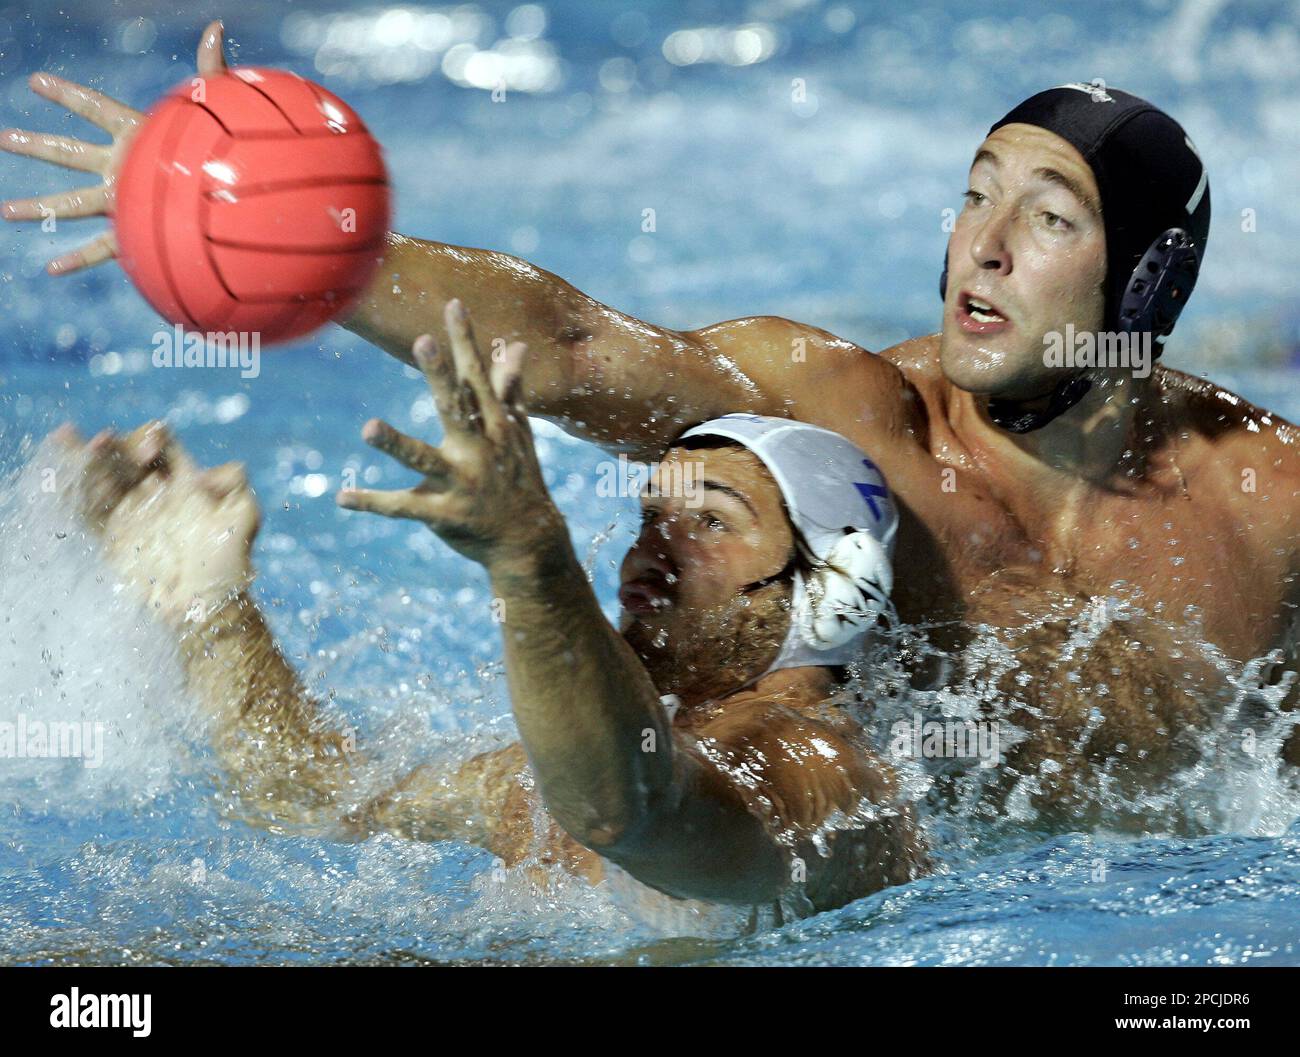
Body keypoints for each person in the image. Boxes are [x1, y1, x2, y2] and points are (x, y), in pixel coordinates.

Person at [5, 23, 1297, 814]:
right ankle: (202, 600)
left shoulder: (1268, 503)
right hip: (784, 812)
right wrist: (295, 247)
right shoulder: (854, 413)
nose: (985, 246)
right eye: (976, 193)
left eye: (1050, 215)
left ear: (1144, 285)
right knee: (335, 805)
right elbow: (571, 344)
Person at [52, 299, 924, 922]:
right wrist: (207, 600)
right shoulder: (563, 763)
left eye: (710, 521)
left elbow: (629, 814)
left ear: (832, 582)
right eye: (653, 513)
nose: (651, 546)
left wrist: (527, 552)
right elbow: (303, 791)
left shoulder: (829, 776)